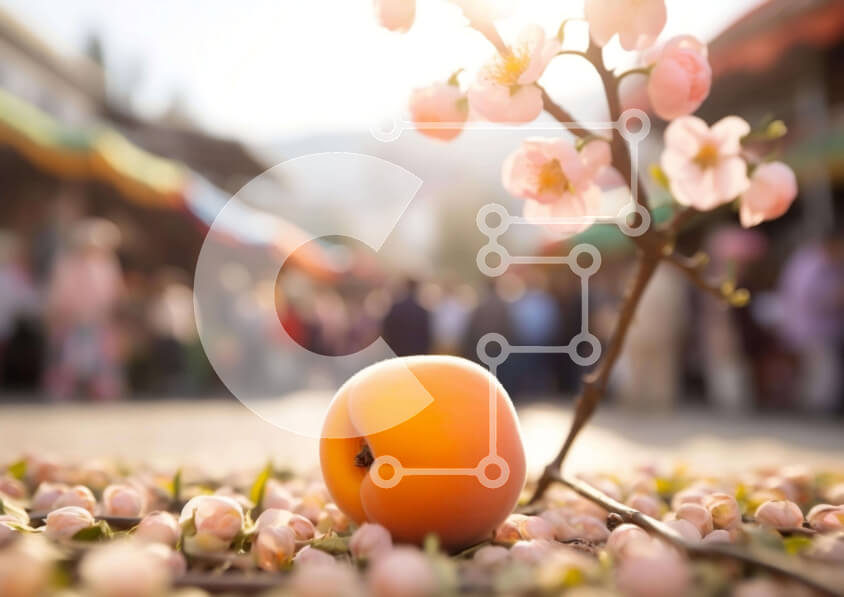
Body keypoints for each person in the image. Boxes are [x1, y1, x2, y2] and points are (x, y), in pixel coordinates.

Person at [44, 219, 125, 400]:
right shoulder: (68, 264)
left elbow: (113, 292)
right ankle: (63, 391)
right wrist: (66, 313)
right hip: (72, 319)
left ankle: (102, 392)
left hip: (100, 319)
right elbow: (61, 293)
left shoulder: (107, 264)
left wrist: (109, 312)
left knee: (103, 358)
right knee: (68, 358)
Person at [381, 278, 431, 357]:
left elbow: (387, 330)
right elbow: (426, 336)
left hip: (397, 350)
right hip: (416, 352)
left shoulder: (396, 308)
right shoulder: (422, 311)